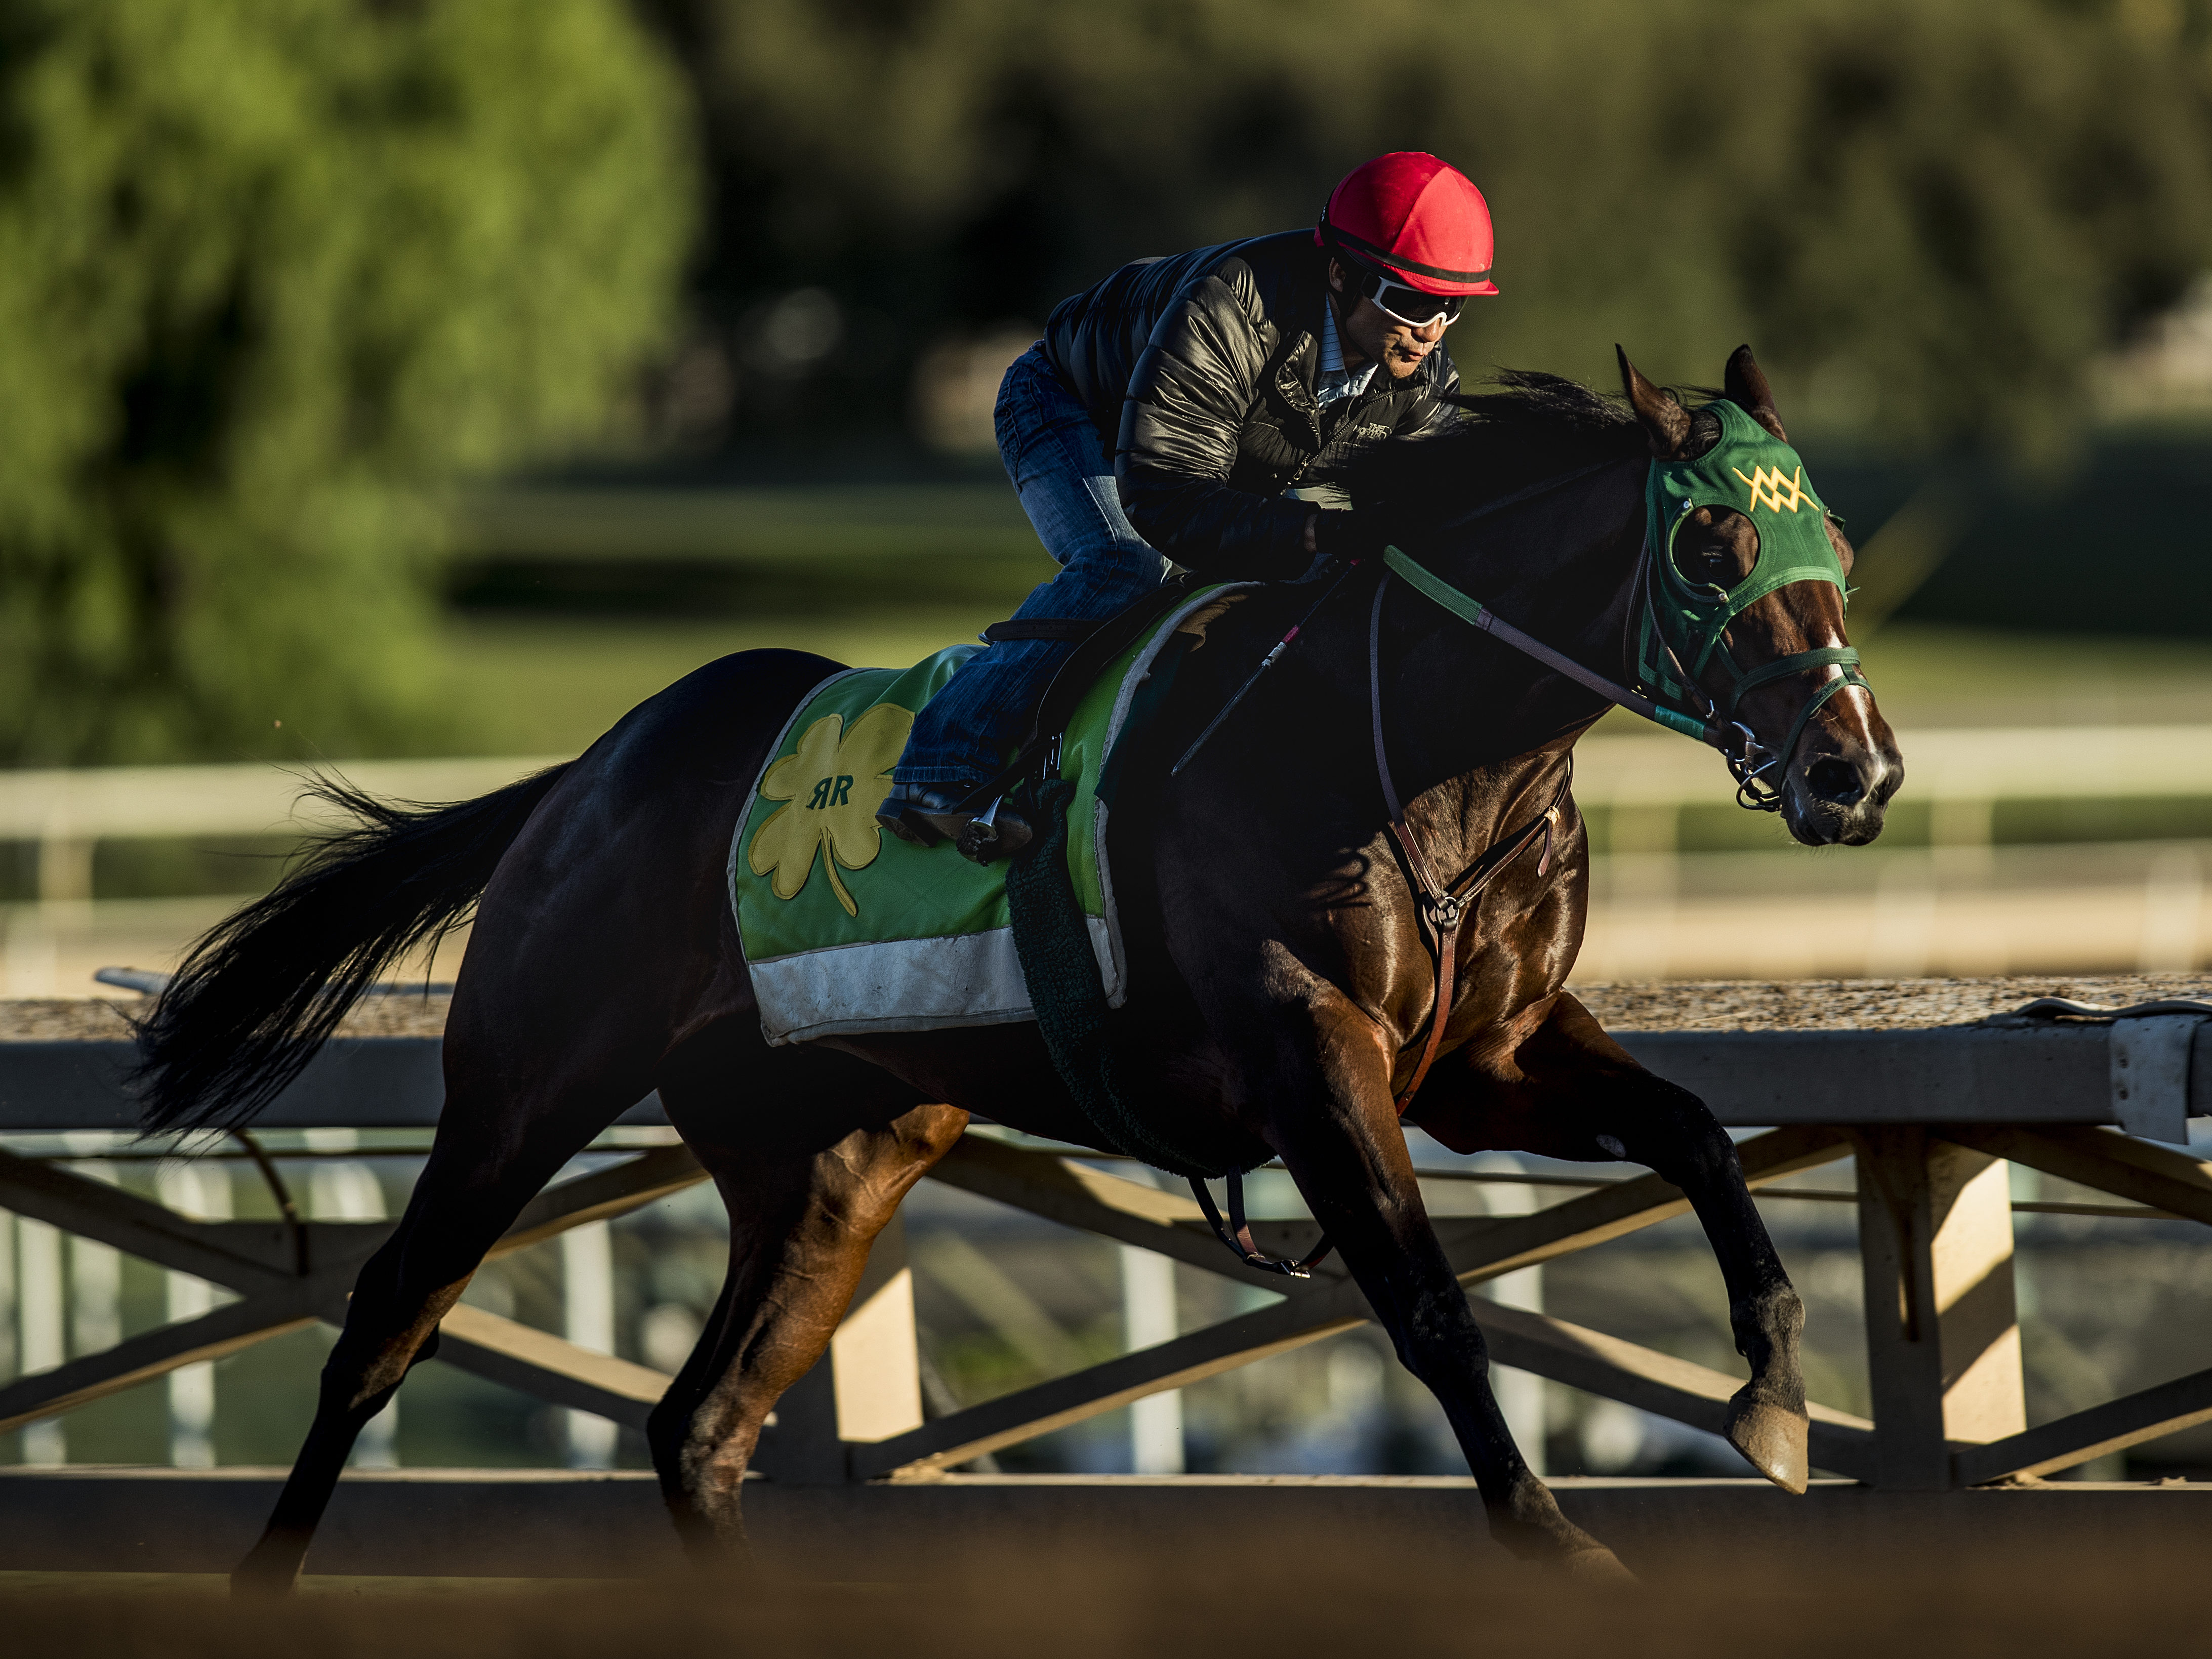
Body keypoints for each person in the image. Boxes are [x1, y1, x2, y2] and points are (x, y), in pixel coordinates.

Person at [878, 151, 1497, 862]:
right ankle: (938, 775)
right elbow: (1165, 497)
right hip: (1070, 407)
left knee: (1332, 581)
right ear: (1340, 273)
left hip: (1208, 449)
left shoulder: (1420, 379)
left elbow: (1434, 530)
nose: (1433, 329)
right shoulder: (1229, 304)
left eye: (1453, 306)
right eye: (1412, 301)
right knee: (1125, 565)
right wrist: (1319, 527)